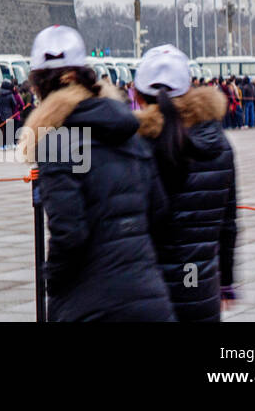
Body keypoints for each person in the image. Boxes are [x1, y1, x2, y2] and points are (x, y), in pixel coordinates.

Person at [15, 26, 172, 322]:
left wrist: (54, 281)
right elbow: (159, 211)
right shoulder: (129, 132)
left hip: (92, 304)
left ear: (40, 86)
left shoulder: (57, 142)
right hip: (150, 299)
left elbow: (69, 233)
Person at [132, 45, 238, 321]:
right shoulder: (220, 145)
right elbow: (228, 225)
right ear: (189, 88)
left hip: (147, 289)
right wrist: (226, 281)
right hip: (201, 289)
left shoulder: (137, 146)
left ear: (137, 93)